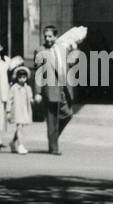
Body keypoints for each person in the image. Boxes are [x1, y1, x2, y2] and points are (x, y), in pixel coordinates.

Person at [33, 24, 86, 154]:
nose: (47, 38)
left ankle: (54, 137)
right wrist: (38, 92)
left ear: (56, 37)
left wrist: (75, 50)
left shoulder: (63, 49)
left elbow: (70, 64)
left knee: (68, 114)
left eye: (50, 36)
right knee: (51, 119)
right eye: (45, 36)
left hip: (63, 88)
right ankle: (53, 147)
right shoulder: (40, 50)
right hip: (49, 88)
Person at [5, 64, 34, 153]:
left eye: (24, 77)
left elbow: (30, 98)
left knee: (20, 128)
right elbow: (9, 100)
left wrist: (32, 100)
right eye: (20, 77)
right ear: (17, 77)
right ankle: (20, 145)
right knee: (19, 127)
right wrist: (8, 111)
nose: (22, 79)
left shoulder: (28, 88)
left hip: (25, 110)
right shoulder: (14, 88)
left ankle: (12, 142)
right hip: (16, 110)